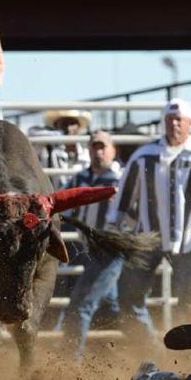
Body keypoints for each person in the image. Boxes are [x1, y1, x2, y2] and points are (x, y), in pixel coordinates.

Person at [106, 99, 191, 343]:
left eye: (180, 120)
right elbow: (125, 193)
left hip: (185, 239)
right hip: (146, 236)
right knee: (128, 296)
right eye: (170, 119)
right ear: (164, 122)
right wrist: (113, 226)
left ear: (189, 123)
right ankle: (149, 347)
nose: (175, 124)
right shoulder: (143, 156)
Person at [58, 131, 124, 361]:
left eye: (103, 147)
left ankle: (68, 362)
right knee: (118, 304)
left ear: (112, 150)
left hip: (109, 252)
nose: (99, 152)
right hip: (89, 251)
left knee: (81, 304)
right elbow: (62, 201)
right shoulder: (80, 178)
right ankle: (145, 345)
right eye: (95, 147)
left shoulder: (119, 179)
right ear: (89, 150)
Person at [28, 110, 92, 190]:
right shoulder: (47, 149)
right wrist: (60, 133)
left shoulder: (86, 154)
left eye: (72, 124)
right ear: (56, 127)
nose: (68, 128)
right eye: (64, 124)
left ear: (78, 127)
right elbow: (32, 132)